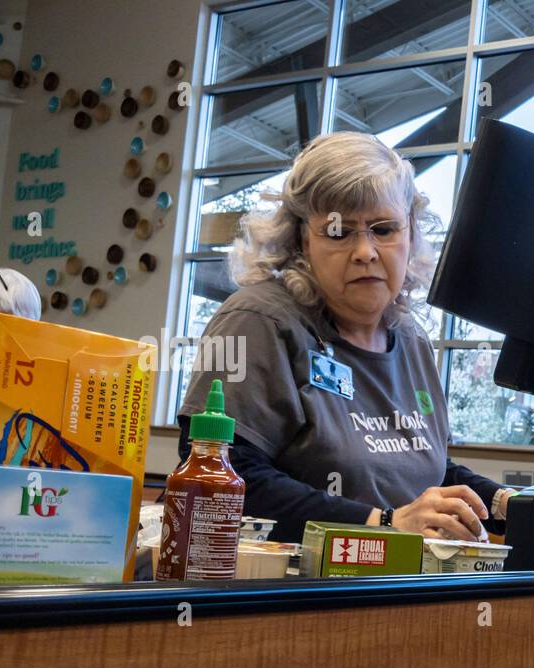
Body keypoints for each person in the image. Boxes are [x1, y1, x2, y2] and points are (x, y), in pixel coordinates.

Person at [176, 132, 514, 544]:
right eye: (339, 232)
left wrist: (503, 504)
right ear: (302, 241)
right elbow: (223, 476)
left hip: (401, 584)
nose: (366, 252)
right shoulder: (258, 320)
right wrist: (383, 525)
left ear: (410, 235)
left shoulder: (411, 340)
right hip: (287, 590)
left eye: (384, 229)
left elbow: (426, 472)